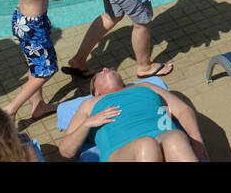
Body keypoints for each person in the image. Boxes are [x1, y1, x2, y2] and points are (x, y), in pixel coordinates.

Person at [59, 66, 207, 162]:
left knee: (176, 138)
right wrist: (88, 123)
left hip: (163, 136)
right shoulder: (90, 104)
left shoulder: (145, 86)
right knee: (146, 145)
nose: (105, 69)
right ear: (96, 92)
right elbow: (65, 150)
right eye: (100, 74)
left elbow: (182, 110)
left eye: (108, 69)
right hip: (121, 152)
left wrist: (196, 141)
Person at [5, 0, 61, 122]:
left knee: (36, 66)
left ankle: (39, 106)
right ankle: (11, 109)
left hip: (28, 21)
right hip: (32, 27)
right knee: (46, 70)